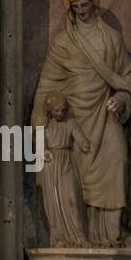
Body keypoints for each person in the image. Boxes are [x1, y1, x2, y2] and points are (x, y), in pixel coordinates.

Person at [30, 0, 131, 247]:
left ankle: (111, 234)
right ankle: (76, 235)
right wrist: (40, 125)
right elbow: (47, 85)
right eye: (77, 6)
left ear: (97, 5)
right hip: (71, 119)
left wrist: (122, 99)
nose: (82, 10)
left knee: (117, 161)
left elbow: (127, 77)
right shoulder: (62, 42)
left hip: (106, 117)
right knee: (71, 181)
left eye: (86, 5)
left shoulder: (112, 40)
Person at [37, 92, 89, 247]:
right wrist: (44, 151)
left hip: (66, 161)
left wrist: (84, 143)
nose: (59, 114)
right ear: (49, 110)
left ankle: (80, 236)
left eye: (62, 110)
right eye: (56, 110)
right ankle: (58, 238)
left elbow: (81, 138)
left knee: (72, 197)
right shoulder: (43, 125)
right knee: (53, 203)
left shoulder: (70, 123)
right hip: (51, 164)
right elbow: (40, 147)